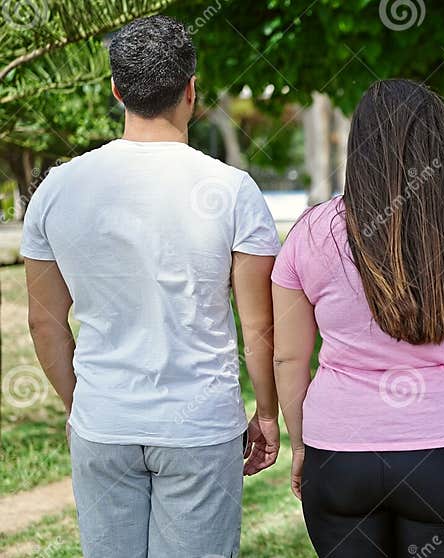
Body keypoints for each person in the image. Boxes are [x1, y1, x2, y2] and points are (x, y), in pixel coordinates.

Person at [20, 15, 281, 557]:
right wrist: (268, 414)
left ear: (117, 90)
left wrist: (82, 405)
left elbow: (44, 321)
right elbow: (258, 324)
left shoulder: (55, 190)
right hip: (201, 429)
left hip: (104, 423)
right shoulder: (233, 189)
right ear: (191, 91)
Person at [271, 79, 444, 557]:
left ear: (359, 145)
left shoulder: (310, 234)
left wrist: (301, 446)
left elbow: (287, 358)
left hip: (340, 455)